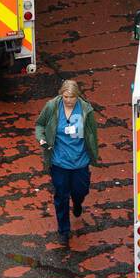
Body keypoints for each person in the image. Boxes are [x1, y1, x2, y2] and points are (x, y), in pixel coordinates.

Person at [35, 80, 99, 245]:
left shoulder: (85, 109)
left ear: (77, 96)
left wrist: (93, 152)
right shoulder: (52, 107)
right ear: (60, 94)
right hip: (59, 162)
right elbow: (40, 125)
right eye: (66, 96)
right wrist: (42, 139)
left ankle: (77, 202)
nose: (69, 100)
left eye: (72, 97)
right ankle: (64, 230)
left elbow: (92, 132)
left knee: (80, 190)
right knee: (61, 196)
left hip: (80, 161)